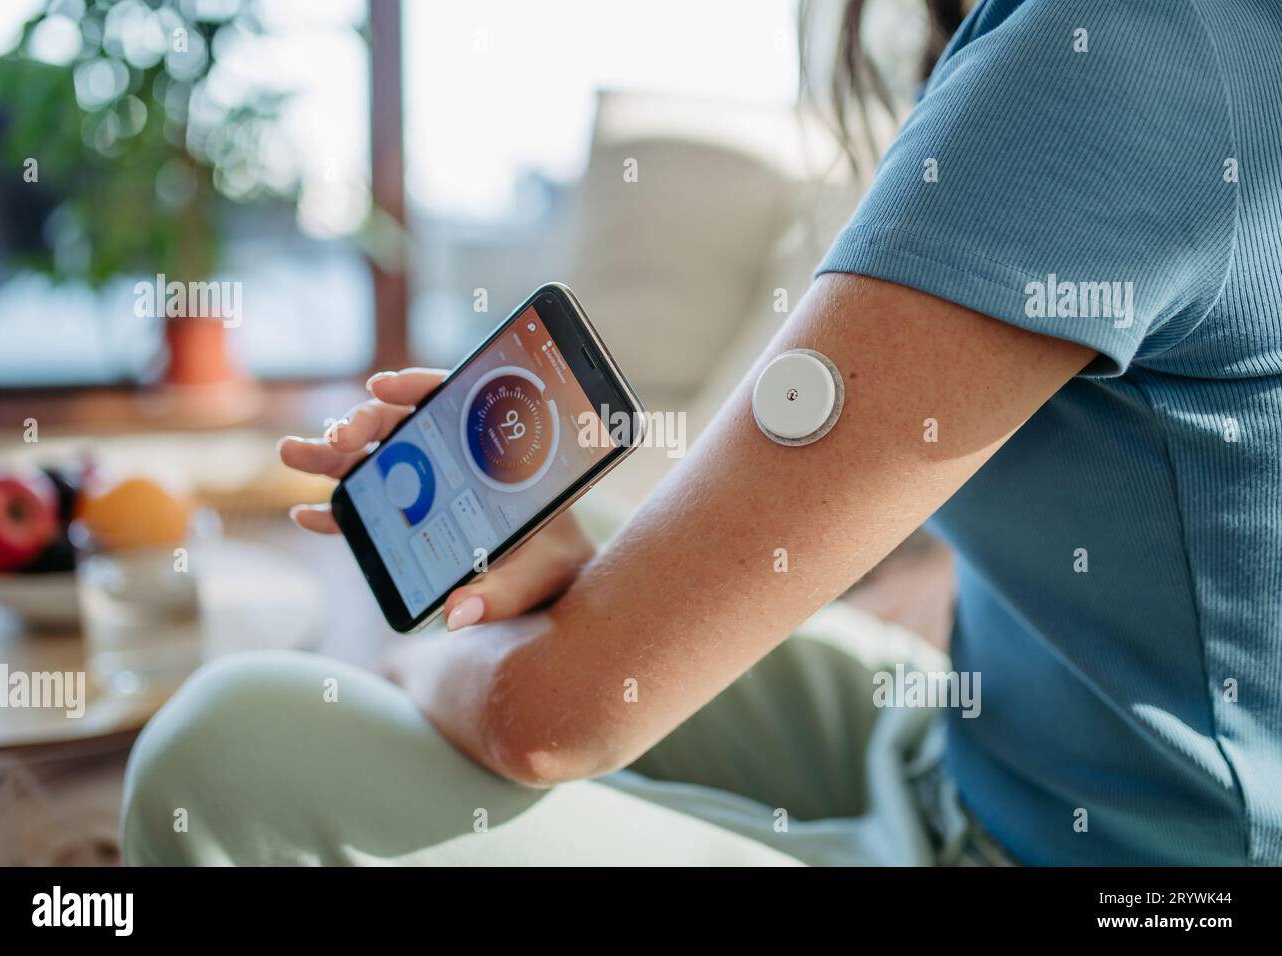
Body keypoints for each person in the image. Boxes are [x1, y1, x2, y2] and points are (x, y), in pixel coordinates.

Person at [121, 0, 1282, 866]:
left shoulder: (1113, 52)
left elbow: (548, 726)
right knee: (616, 571)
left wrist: (433, 661)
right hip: (972, 737)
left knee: (222, 749)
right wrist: (581, 604)